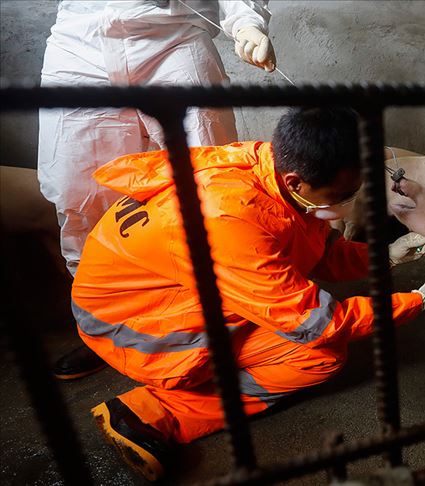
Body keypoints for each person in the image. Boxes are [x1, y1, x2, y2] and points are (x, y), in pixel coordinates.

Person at [73, 107, 425, 480]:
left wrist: (383, 256)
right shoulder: (231, 221)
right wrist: (418, 299)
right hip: (134, 328)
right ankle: (152, 413)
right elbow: (319, 323)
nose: (350, 200)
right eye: (343, 193)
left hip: (141, 296)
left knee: (287, 302)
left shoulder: (268, 167)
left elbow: (311, 247)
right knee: (319, 354)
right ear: (298, 182)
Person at [39, 0, 277, 380]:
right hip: (80, 43)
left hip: (174, 35)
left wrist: (245, 22)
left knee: (209, 185)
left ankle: (233, 318)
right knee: (80, 194)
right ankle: (104, 327)